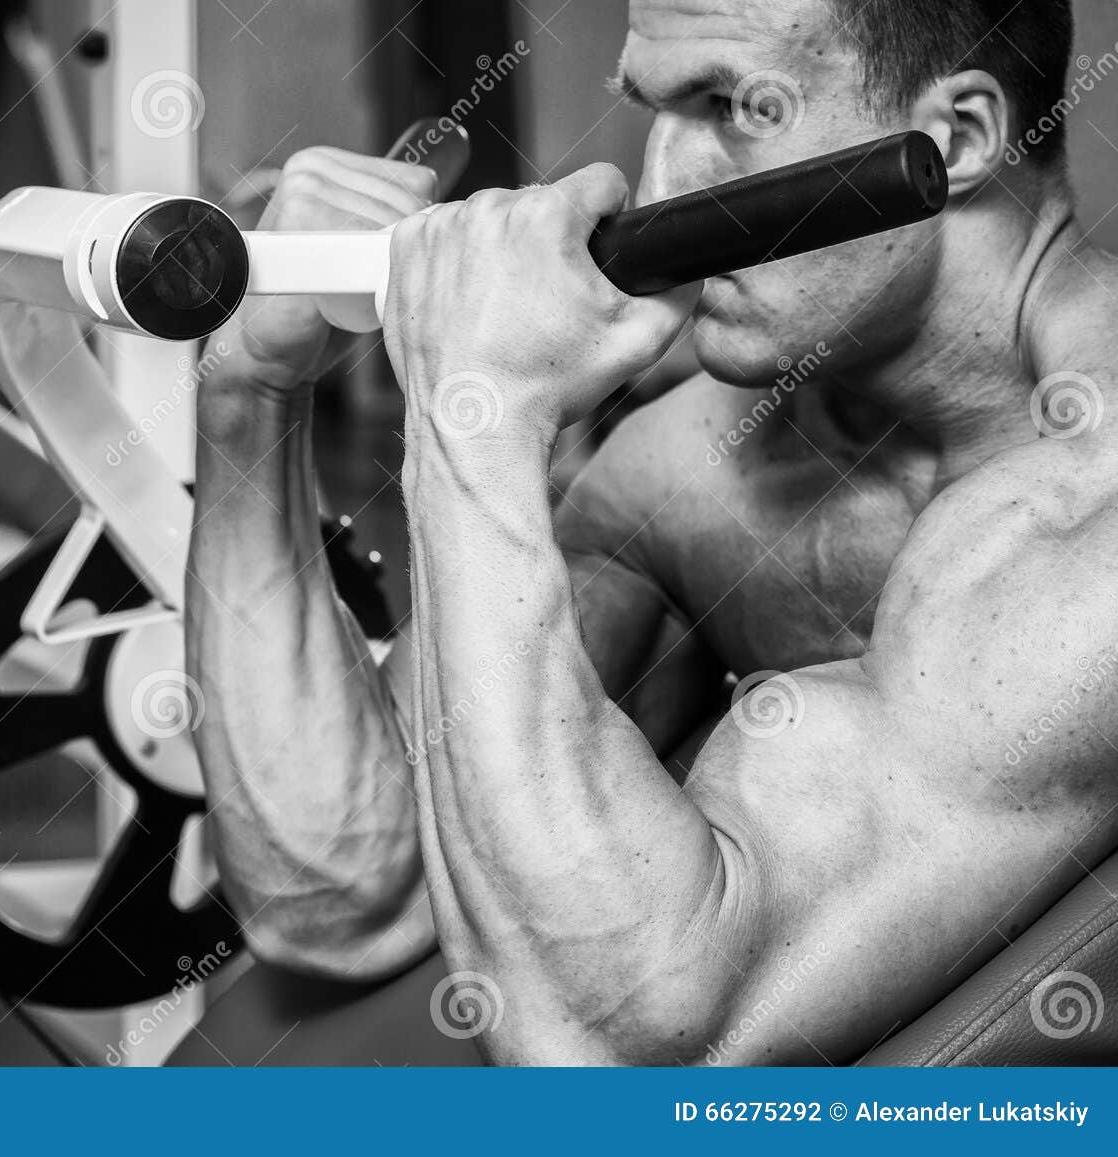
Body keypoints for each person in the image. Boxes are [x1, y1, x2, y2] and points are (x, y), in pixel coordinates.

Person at [182, 0, 1118, 1064]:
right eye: (655, 109)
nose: (664, 183)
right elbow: (343, 890)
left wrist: (474, 413)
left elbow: (606, 1053)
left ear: (954, 140)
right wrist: (248, 397)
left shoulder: (1091, 525)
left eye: (732, 105)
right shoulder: (694, 471)